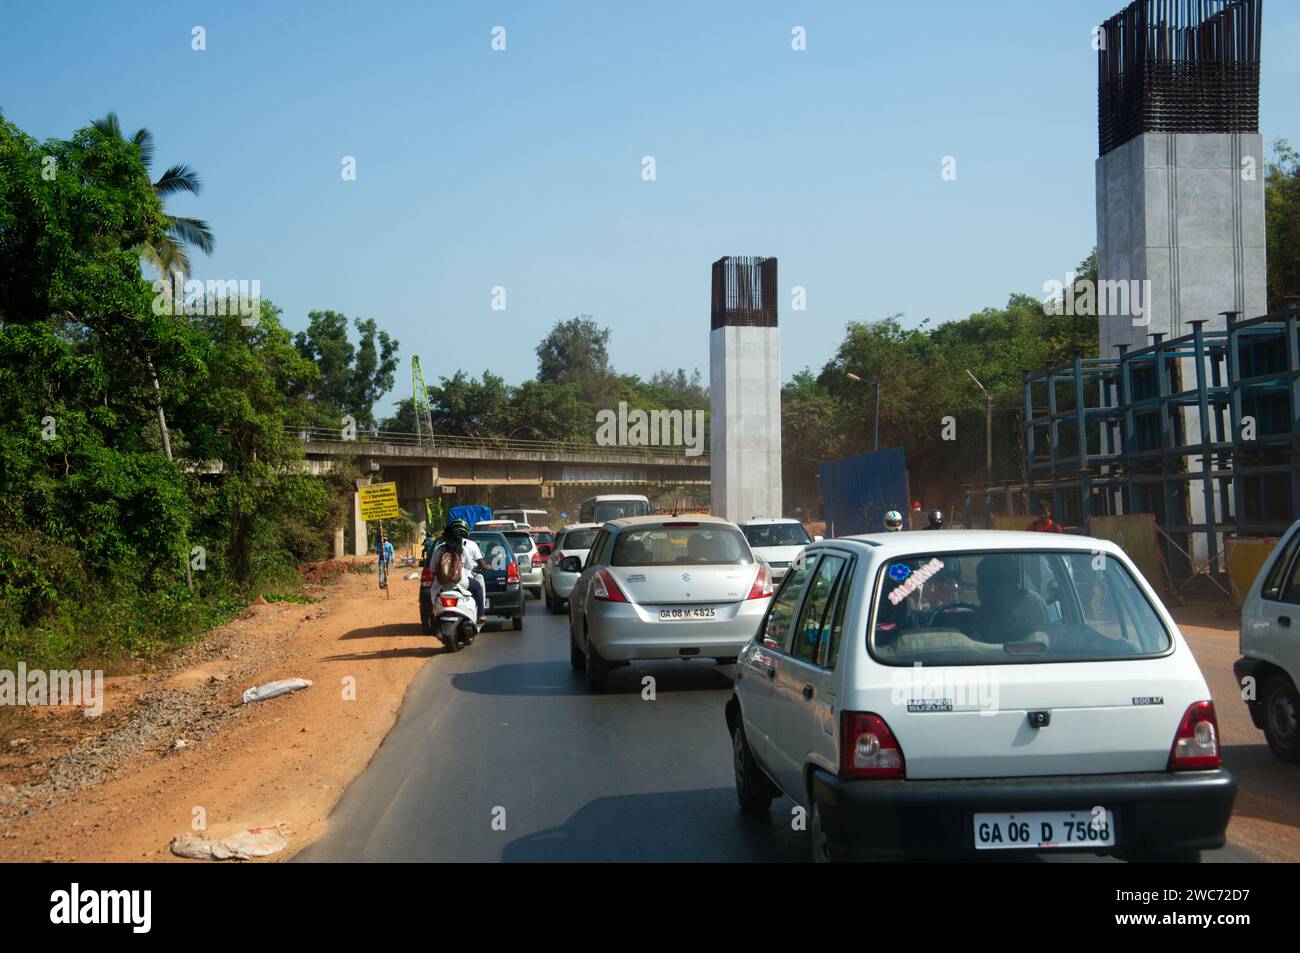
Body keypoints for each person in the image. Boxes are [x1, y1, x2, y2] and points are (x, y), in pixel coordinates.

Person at [431, 518, 492, 625]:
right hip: (460, 580)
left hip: (441, 582)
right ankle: (481, 614)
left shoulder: (439, 548)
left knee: (432, 593)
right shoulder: (462, 548)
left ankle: (432, 616)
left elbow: (432, 568)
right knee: (477, 587)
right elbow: (469, 565)